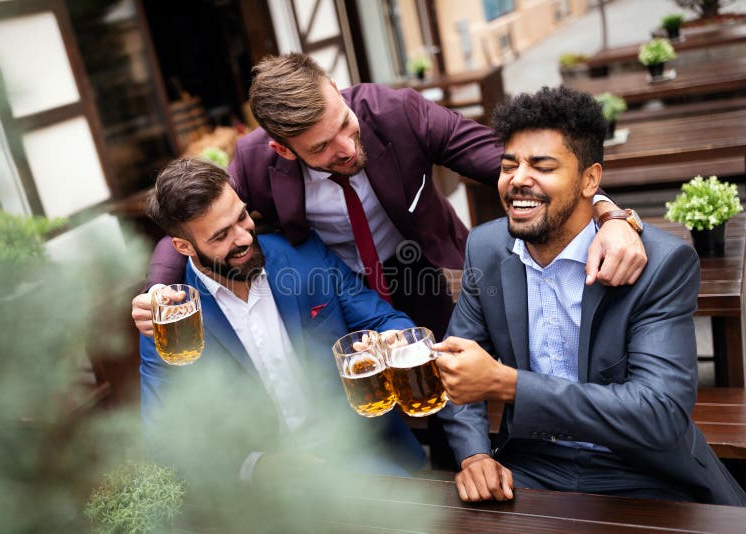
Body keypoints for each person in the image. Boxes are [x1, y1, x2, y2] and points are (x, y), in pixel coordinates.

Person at [143, 52, 647, 341]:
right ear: (283, 149)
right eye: (322, 147)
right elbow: (190, 227)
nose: (347, 146)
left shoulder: (397, 112)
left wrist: (608, 212)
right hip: (334, 288)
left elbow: (514, 165)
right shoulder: (255, 160)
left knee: (451, 378)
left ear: (336, 90)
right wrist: (157, 292)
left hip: (421, 267)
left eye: (343, 122)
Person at [432, 86, 746, 506]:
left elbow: (659, 413)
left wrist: (509, 384)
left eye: (542, 166)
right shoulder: (486, 248)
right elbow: (457, 362)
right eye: (509, 165)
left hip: (645, 471)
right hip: (532, 463)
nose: (519, 178)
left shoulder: (659, 264)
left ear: (590, 180)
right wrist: (473, 455)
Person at [137, 157, 425, 483]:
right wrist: (256, 467)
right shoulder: (169, 319)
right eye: (220, 237)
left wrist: (393, 341)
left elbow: (386, 319)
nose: (244, 238)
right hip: (265, 494)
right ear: (182, 246)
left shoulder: (306, 255)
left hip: (362, 455)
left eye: (242, 217)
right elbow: (162, 438)